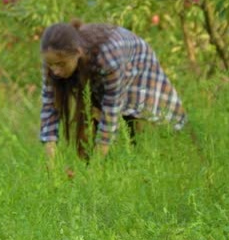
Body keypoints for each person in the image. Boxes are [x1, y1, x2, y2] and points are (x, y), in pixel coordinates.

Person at [38, 20, 188, 159]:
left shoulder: (107, 57)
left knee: (137, 128)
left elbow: (110, 114)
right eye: (51, 65)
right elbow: (49, 111)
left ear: (77, 52)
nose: (55, 71)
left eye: (61, 64)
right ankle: (102, 163)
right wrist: (53, 169)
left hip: (136, 64)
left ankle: (138, 162)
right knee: (90, 123)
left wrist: (94, 173)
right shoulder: (54, 59)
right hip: (97, 64)